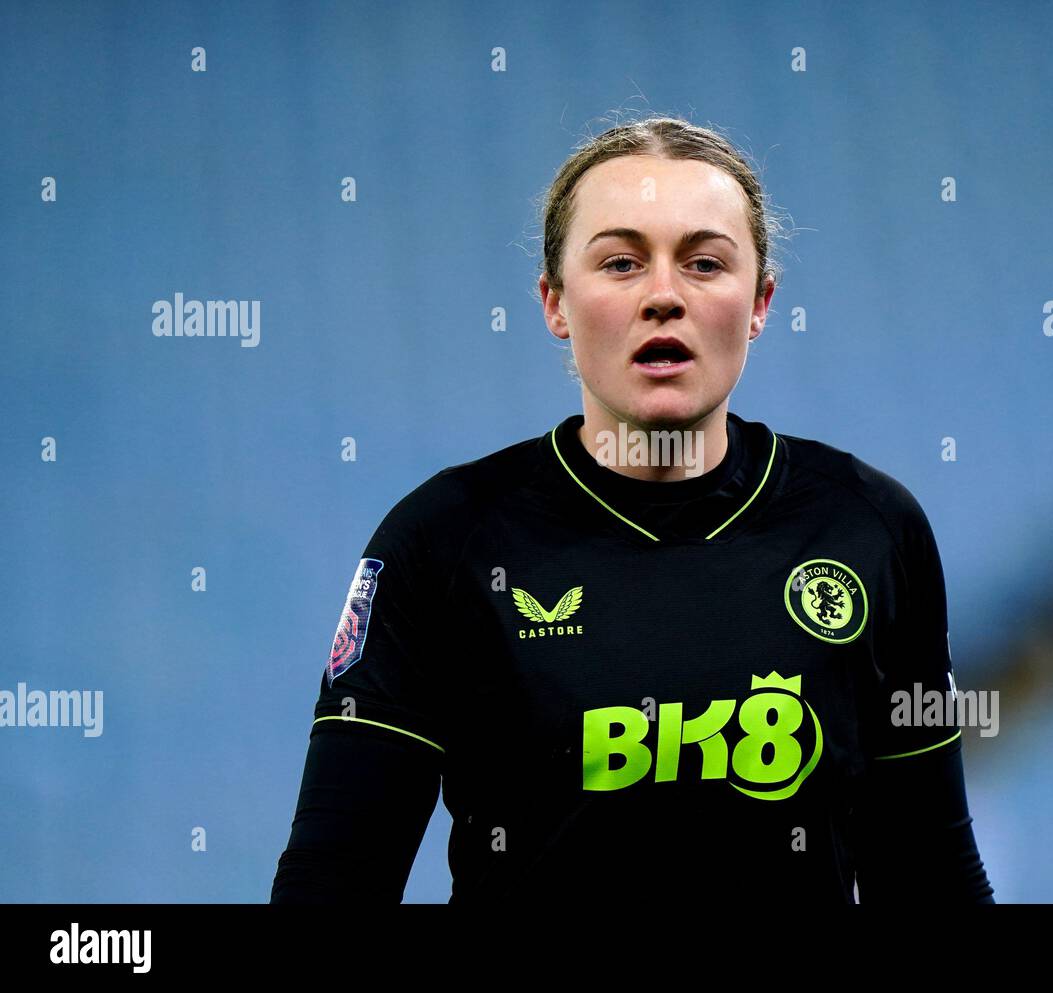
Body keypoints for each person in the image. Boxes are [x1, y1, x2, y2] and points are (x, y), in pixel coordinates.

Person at [271, 114, 994, 906]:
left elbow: (931, 874)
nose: (663, 296)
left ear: (760, 302)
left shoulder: (869, 526)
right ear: (554, 303)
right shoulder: (442, 541)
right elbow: (332, 882)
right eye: (620, 262)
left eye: (705, 263)